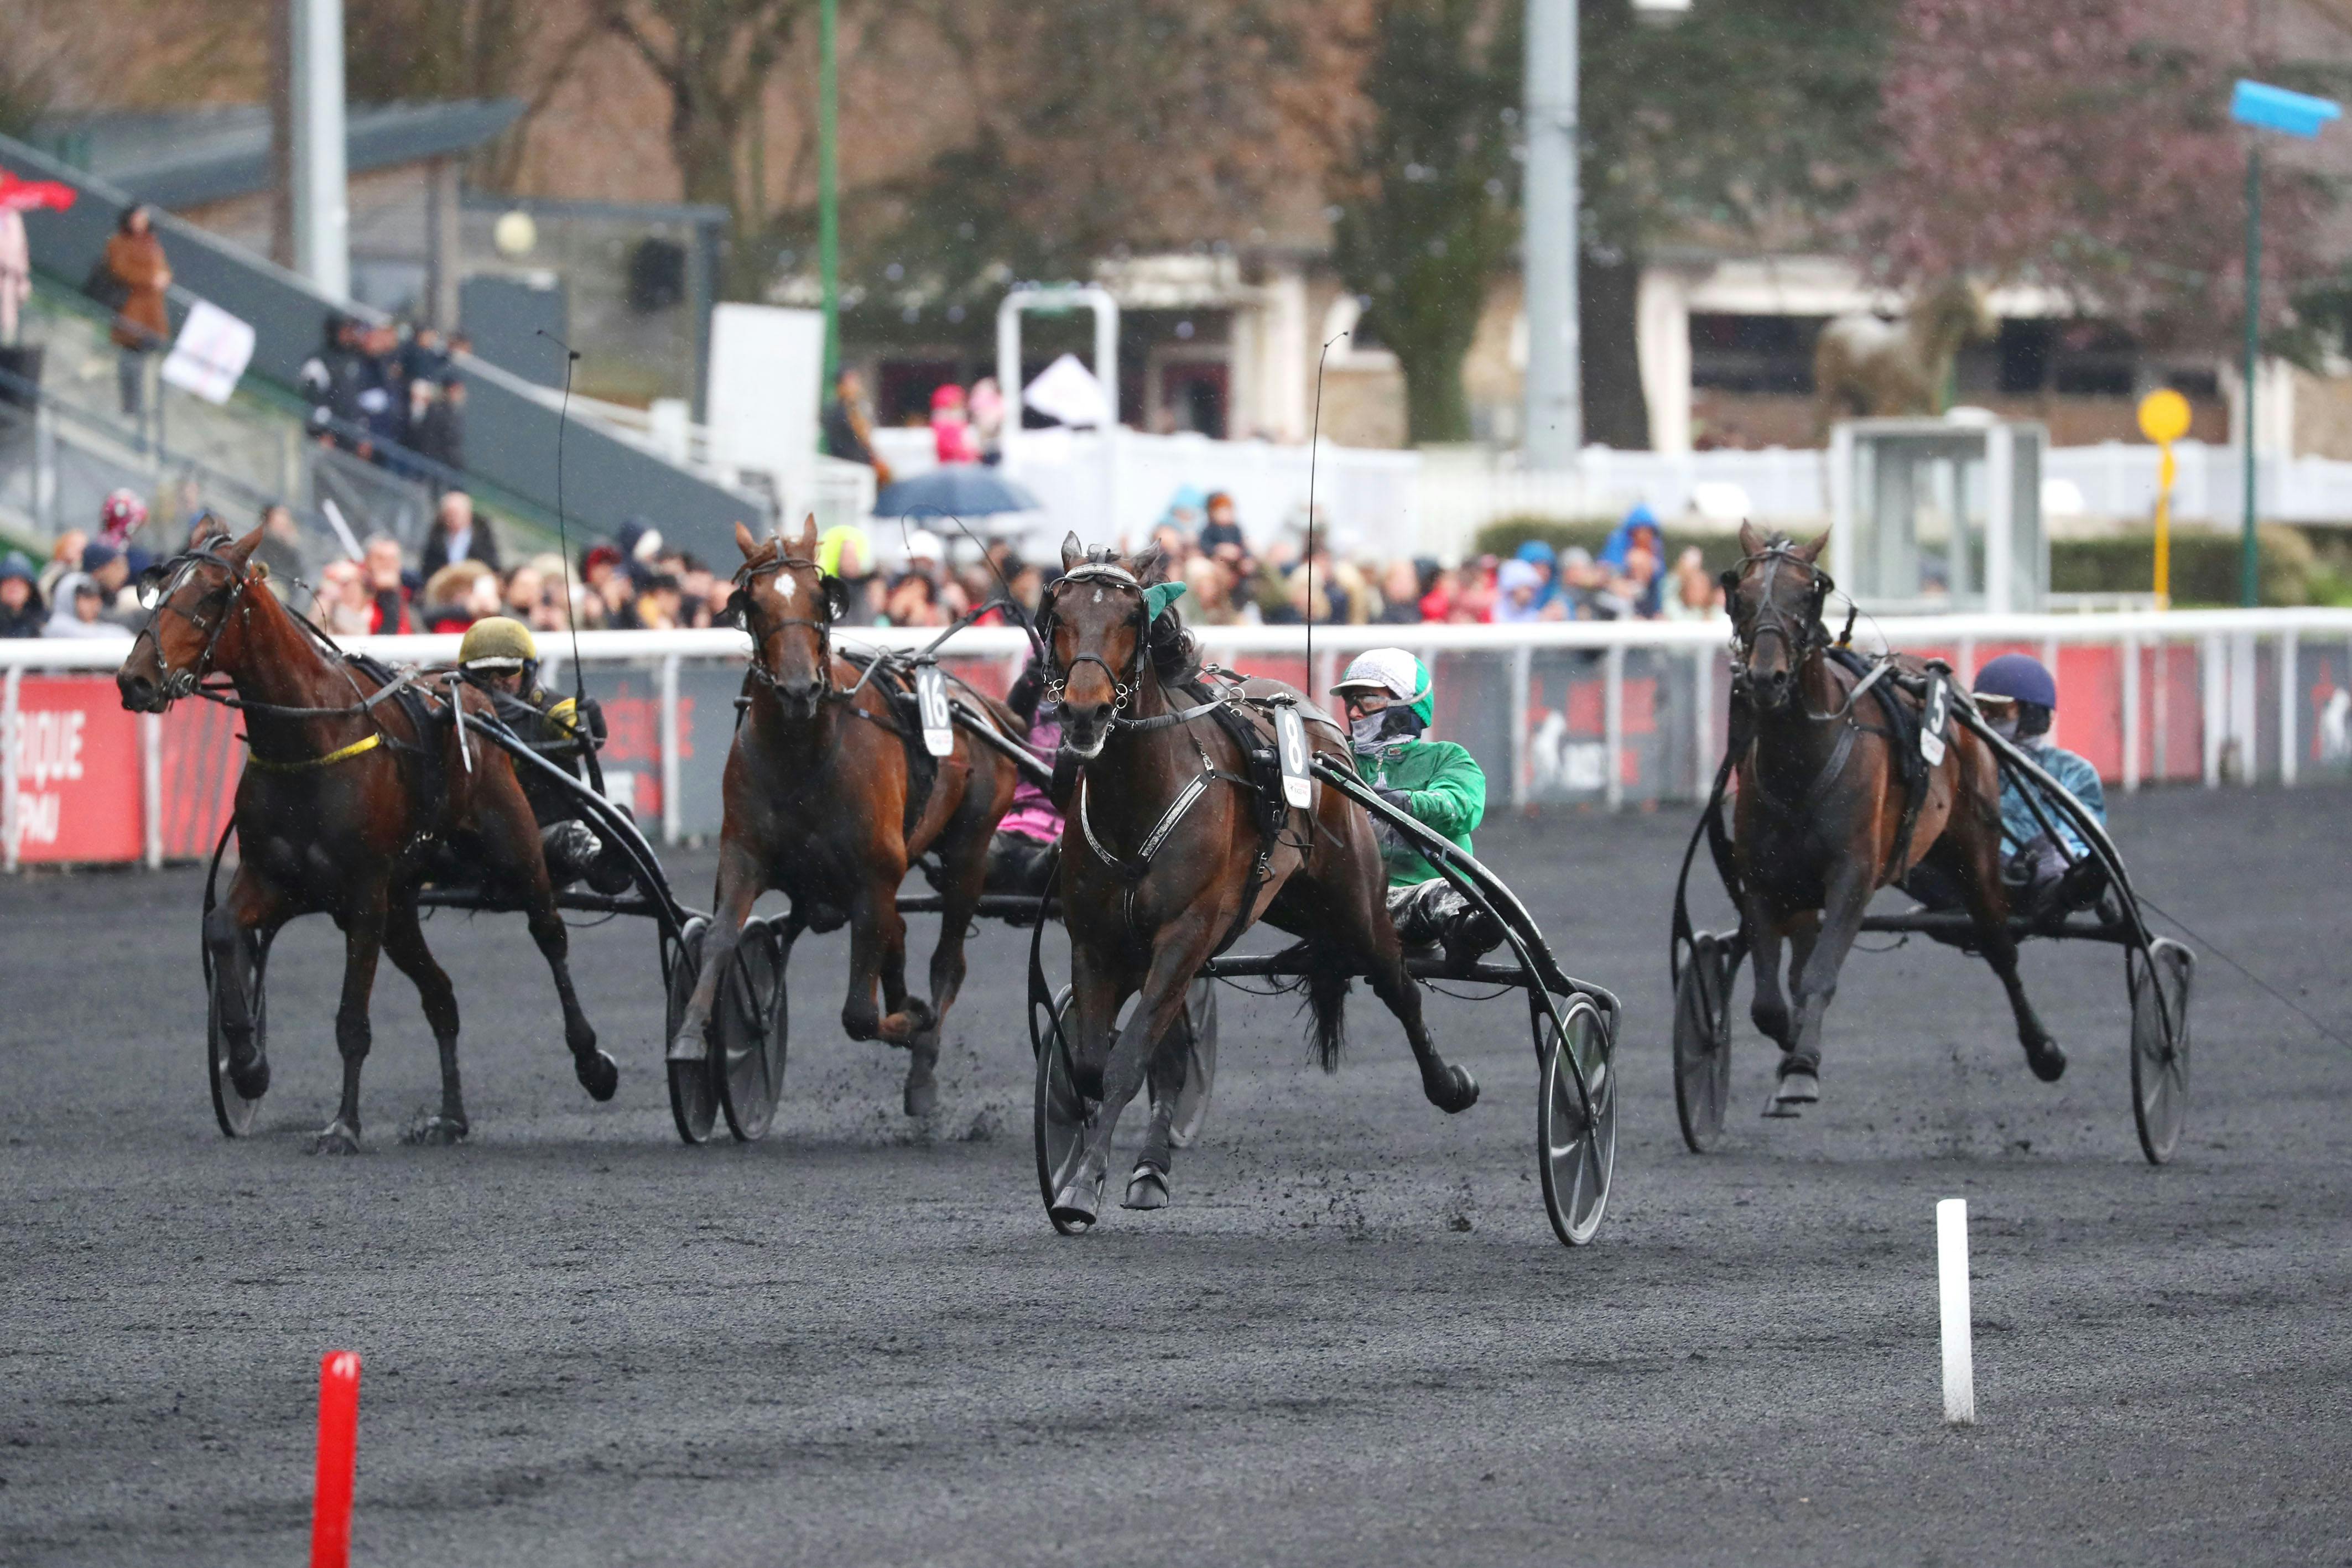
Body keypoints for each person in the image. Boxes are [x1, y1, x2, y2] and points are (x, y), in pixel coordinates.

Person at [1330, 649, 1502, 963]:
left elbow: (1461, 807)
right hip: (1342, 902)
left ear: (1405, 705)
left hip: (1415, 902)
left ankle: (1469, 932)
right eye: (1350, 702)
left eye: (1367, 701)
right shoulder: (1334, 757)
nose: (1354, 714)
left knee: (1453, 896)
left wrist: (1406, 803)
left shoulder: (1447, 758)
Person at [452, 617, 632, 894]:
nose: (496, 682)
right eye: (484, 673)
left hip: (544, 842)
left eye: (506, 671)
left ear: (528, 671)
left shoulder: (553, 712)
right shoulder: (449, 719)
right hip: (474, 850)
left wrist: (588, 726)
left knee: (579, 837)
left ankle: (605, 858)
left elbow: (575, 731)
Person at [1973, 653, 2109, 916]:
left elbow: (2080, 842)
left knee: (2053, 848)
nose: (1987, 717)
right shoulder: (1965, 765)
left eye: (1999, 711)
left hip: (2037, 880)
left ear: (2032, 715)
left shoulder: (2073, 771)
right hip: (1976, 871)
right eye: (1981, 708)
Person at [105, 206, 171, 423]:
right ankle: (131, 406)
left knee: (147, 359)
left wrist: (162, 277)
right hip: (132, 308)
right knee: (130, 358)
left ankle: (144, 406)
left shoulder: (151, 241)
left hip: (152, 310)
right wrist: (150, 278)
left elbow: (162, 267)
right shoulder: (119, 242)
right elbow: (121, 270)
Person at [821, 368, 893, 485]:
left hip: (861, 469)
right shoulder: (836, 412)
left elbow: (867, 439)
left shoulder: (860, 407)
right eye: (850, 382)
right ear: (840, 386)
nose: (856, 387)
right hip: (844, 469)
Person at [419, 490, 501, 580]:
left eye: (456, 514)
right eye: (449, 514)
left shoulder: (482, 537)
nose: (452, 518)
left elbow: (492, 565)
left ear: (468, 514)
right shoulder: (437, 538)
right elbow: (428, 567)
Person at [44, 572, 131, 639]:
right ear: (69, 598)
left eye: (96, 598)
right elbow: (92, 641)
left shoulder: (96, 626)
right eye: (87, 598)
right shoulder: (58, 625)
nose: (95, 604)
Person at [0, 554, 44, 638]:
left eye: (21, 582)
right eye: (9, 580)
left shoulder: (39, 627)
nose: (14, 587)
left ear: (30, 589)